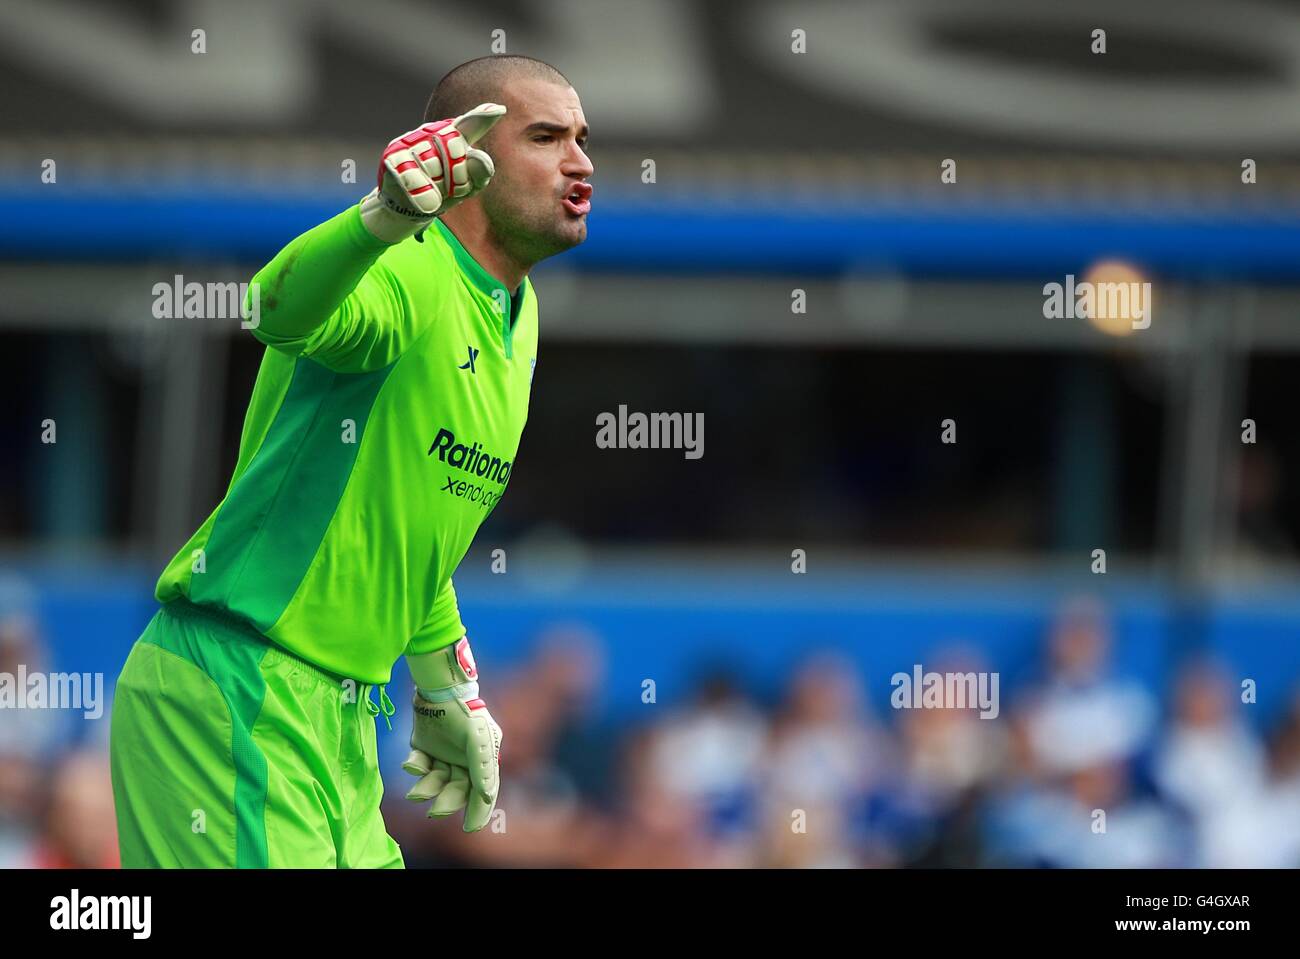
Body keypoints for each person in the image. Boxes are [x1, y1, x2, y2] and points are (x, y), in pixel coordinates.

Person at [109, 55, 594, 868]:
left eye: (583, 139)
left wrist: (444, 679)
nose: (580, 161)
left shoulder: (519, 310)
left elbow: (410, 518)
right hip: (234, 687)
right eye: (545, 137)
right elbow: (270, 308)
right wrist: (380, 217)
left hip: (342, 718)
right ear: (467, 156)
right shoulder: (409, 265)